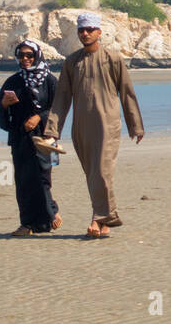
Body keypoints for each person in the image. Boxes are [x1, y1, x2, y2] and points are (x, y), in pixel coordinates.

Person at [37, 12, 144, 240]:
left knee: (102, 173)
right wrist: (52, 132)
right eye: (81, 30)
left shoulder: (113, 59)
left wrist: (135, 125)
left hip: (107, 125)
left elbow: (127, 93)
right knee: (92, 174)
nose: (85, 34)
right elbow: (62, 99)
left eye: (89, 30)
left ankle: (98, 218)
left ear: (99, 32)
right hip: (81, 128)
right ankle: (106, 221)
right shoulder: (71, 62)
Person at [0, 40, 61, 237]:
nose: (25, 59)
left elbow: (58, 108)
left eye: (29, 55)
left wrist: (38, 117)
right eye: (21, 55)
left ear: (37, 56)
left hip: (43, 138)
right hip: (20, 138)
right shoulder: (13, 81)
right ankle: (27, 224)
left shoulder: (49, 81)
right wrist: (5, 105)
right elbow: (1, 111)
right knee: (24, 181)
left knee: (42, 178)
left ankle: (51, 213)